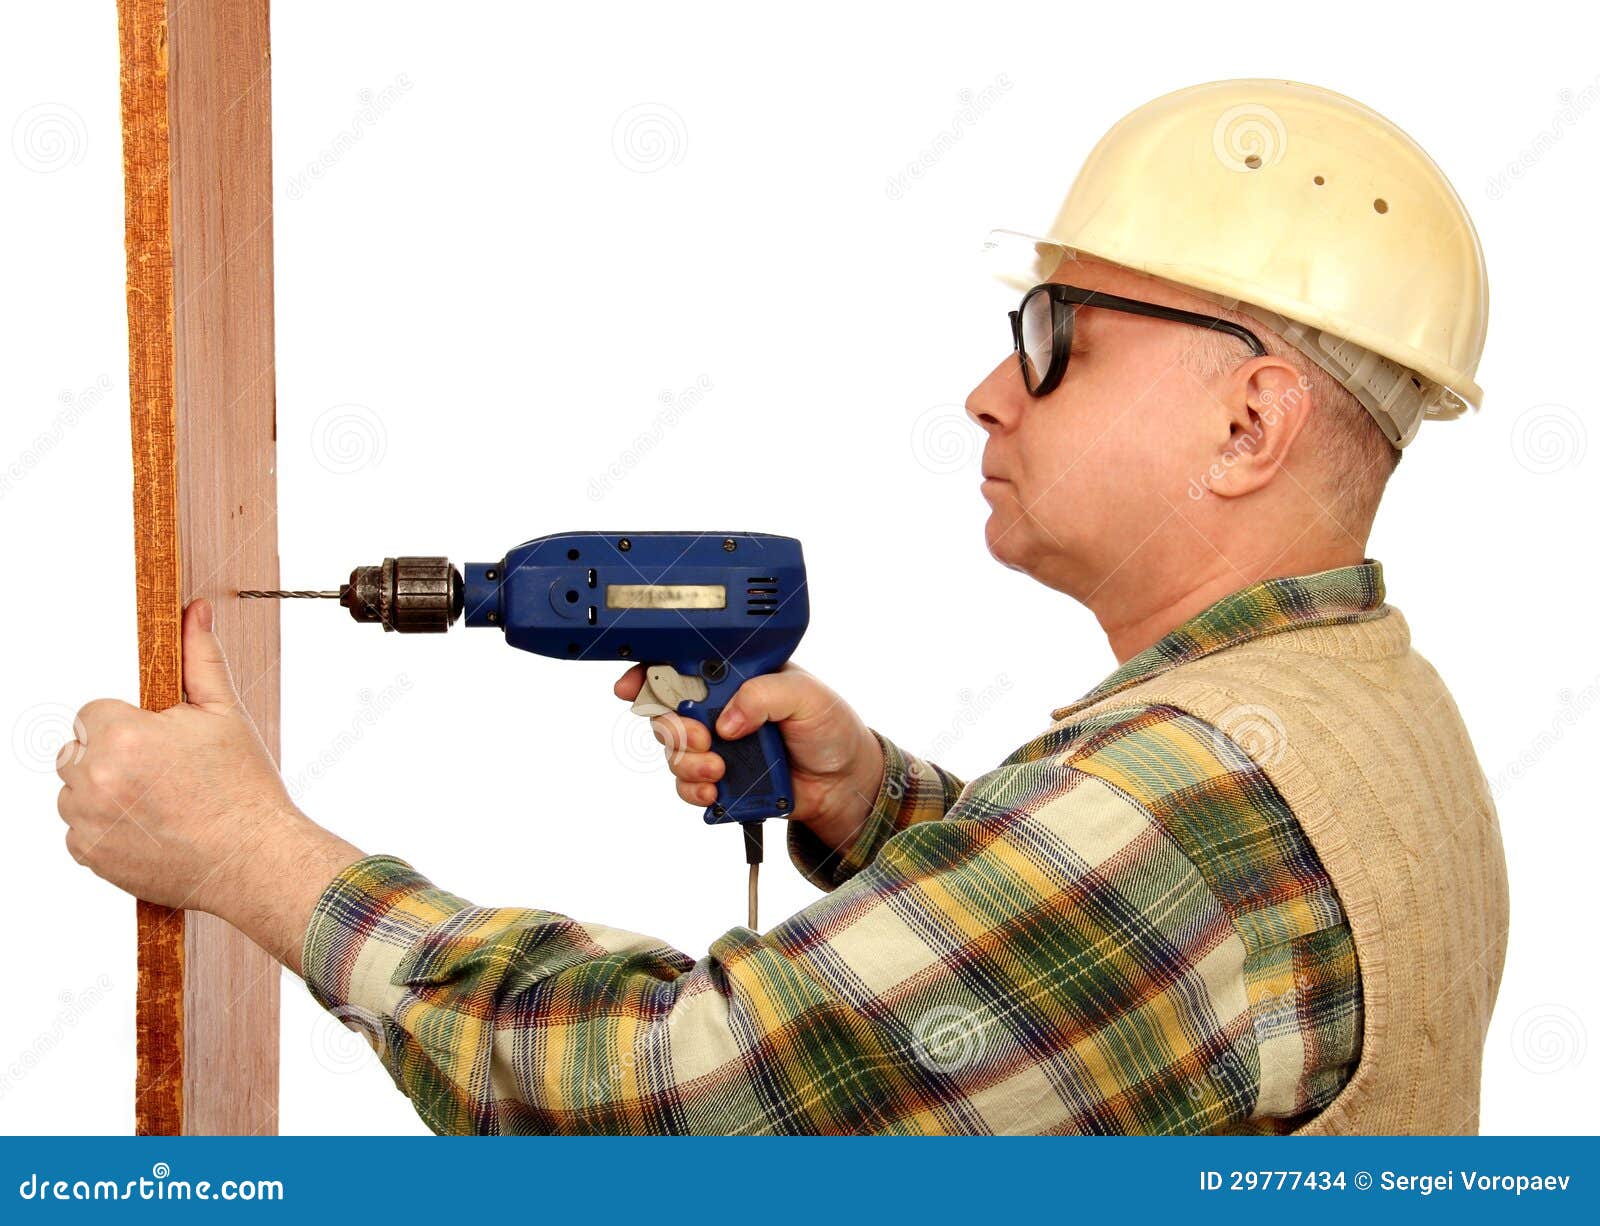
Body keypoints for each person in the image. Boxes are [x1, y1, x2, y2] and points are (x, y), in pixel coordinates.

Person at [53, 79, 1507, 1134]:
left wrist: (254, 855)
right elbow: (1104, 990)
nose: (990, 390)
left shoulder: (1177, 816)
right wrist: (876, 804)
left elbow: (676, 1106)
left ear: (1251, 424)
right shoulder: (1363, 702)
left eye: (1057, 334)